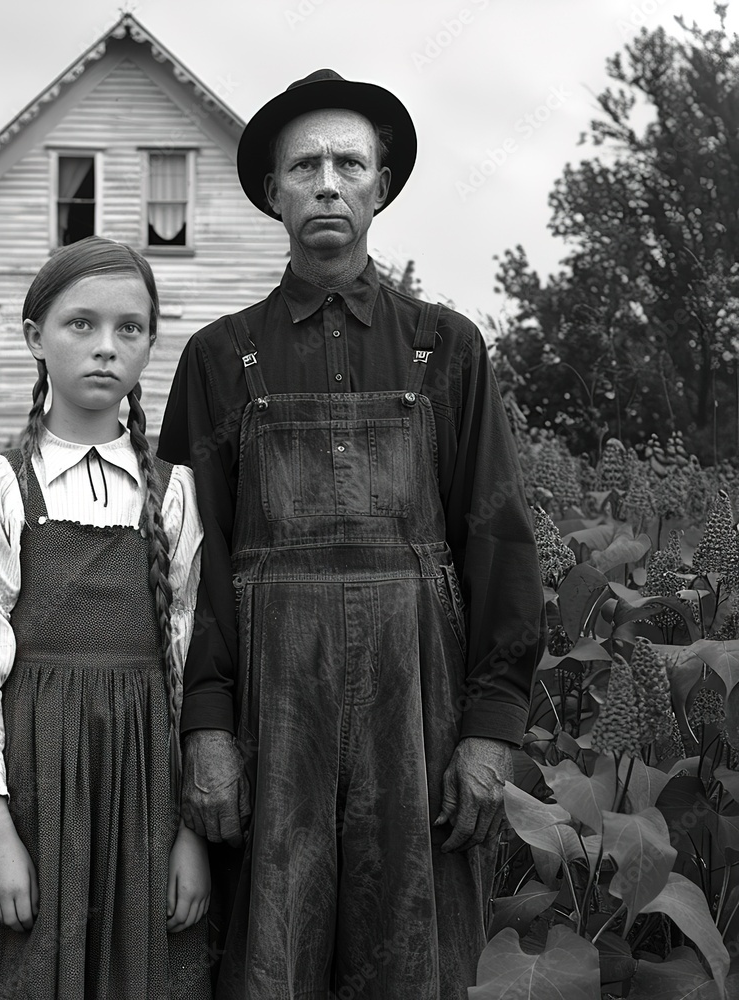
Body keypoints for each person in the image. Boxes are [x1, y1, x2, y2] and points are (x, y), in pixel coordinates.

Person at [157, 70, 546, 998]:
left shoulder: (446, 349)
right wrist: (206, 730)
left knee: (418, 959)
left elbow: (497, 541)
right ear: (272, 193)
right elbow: (186, 567)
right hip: (270, 715)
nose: (327, 183)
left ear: (381, 186)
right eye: (305, 167)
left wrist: (490, 731)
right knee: (270, 961)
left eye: (349, 164)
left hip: (420, 714)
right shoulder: (218, 359)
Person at [0, 237, 213, 1000]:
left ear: (150, 343)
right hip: (31, 778)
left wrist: (191, 832)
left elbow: (188, 664)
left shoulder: (174, 492)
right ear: (35, 337)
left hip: (143, 789)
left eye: (130, 328)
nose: (106, 347)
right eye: (80, 324)